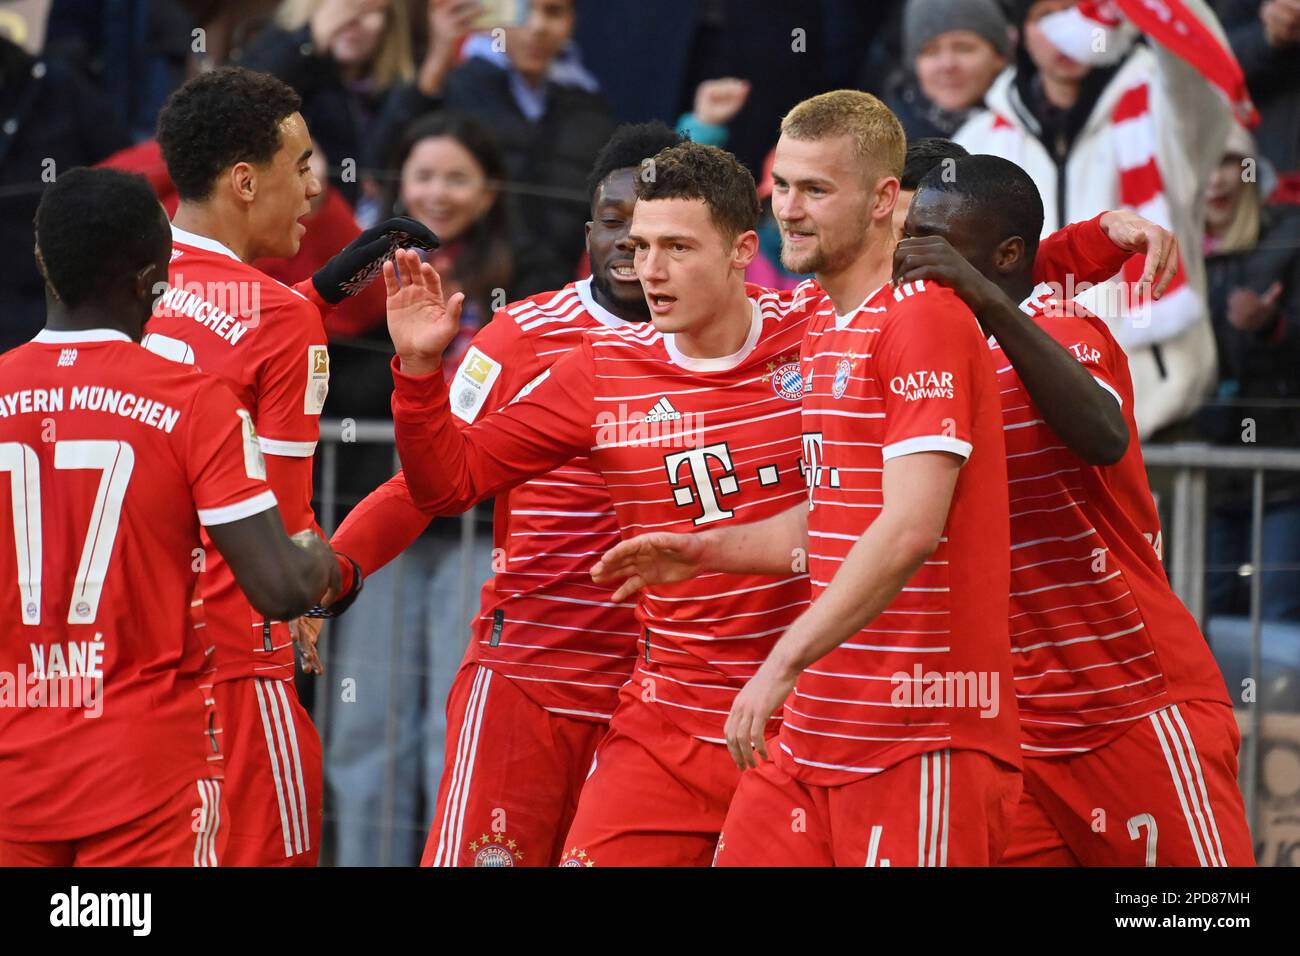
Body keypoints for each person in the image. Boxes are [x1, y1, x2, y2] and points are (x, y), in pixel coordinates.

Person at [319, 121, 686, 867]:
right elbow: (427, 483)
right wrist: (333, 572)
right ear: (588, 230)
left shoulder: (740, 345)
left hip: (667, 688)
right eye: (614, 224)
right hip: (530, 672)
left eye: (653, 230)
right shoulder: (522, 336)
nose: (629, 244)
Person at [893, 154, 1254, 865]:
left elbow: (1102, 432)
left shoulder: (1063, 326)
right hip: (1010, 725)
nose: (910, 258)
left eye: (931, 240)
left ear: (1000, 257)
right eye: (907, 234)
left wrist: (990, 291)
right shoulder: (914, 340)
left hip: (1127, 703)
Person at [0, 167, 337, 866]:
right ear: (155, 276)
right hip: (145, 774)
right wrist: (321, 556)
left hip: (13, 772)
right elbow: (278, 588)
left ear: (43, 259)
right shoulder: (193, 403)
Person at [147, 65, 433, 866]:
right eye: (302, 164)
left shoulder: (126, 277)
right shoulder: (278, 320)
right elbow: (283, 520)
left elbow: (213, 335)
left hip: (127, 663)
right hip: (236, 659)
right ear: (246, 180)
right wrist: (322, 588)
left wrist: (315, 294)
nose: (316, 188)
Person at [956, 0, 1244, 438]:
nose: (1069, 27)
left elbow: (1198, 67)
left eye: (1081, 8)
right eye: (1045, 16)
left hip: (1155, 415)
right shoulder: (979, 138)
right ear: (1019, 34)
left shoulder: (1165, 110)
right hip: (1021, 414)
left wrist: (1153, 9)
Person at [367, 0, 615, 295]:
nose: (537, 27)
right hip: (467, 289)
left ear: (572, 22)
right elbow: (378, 171)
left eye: (553, 11)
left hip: (553, 298)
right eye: (522, 11)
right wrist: (436, 63)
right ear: (493, 14)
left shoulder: (592, 110)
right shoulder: (455, 88)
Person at [1197, 124, 1300, 622]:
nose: (1215, 180)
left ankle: (1274, 702)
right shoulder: (1172, 247)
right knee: (1202, 605)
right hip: (1205, 457)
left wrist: (1273, 327)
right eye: (1205, 165)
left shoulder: (1289, 238)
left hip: (1282, 462)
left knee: (1275, 608)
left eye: (1228, 164)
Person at [235, 0, 418, 207]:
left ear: (390, 24)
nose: (352, 19)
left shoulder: (398, 88)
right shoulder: (280, 54)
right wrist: (312, 40)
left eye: (368, 11)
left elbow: (377, 168)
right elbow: (240, 104)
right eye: (344, 5)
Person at [884, 0, 1013, 140]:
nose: (947, 65)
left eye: (964, 48)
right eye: (931, 51)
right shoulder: (881, 145)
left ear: (1000, 57)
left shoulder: (1027, 133)